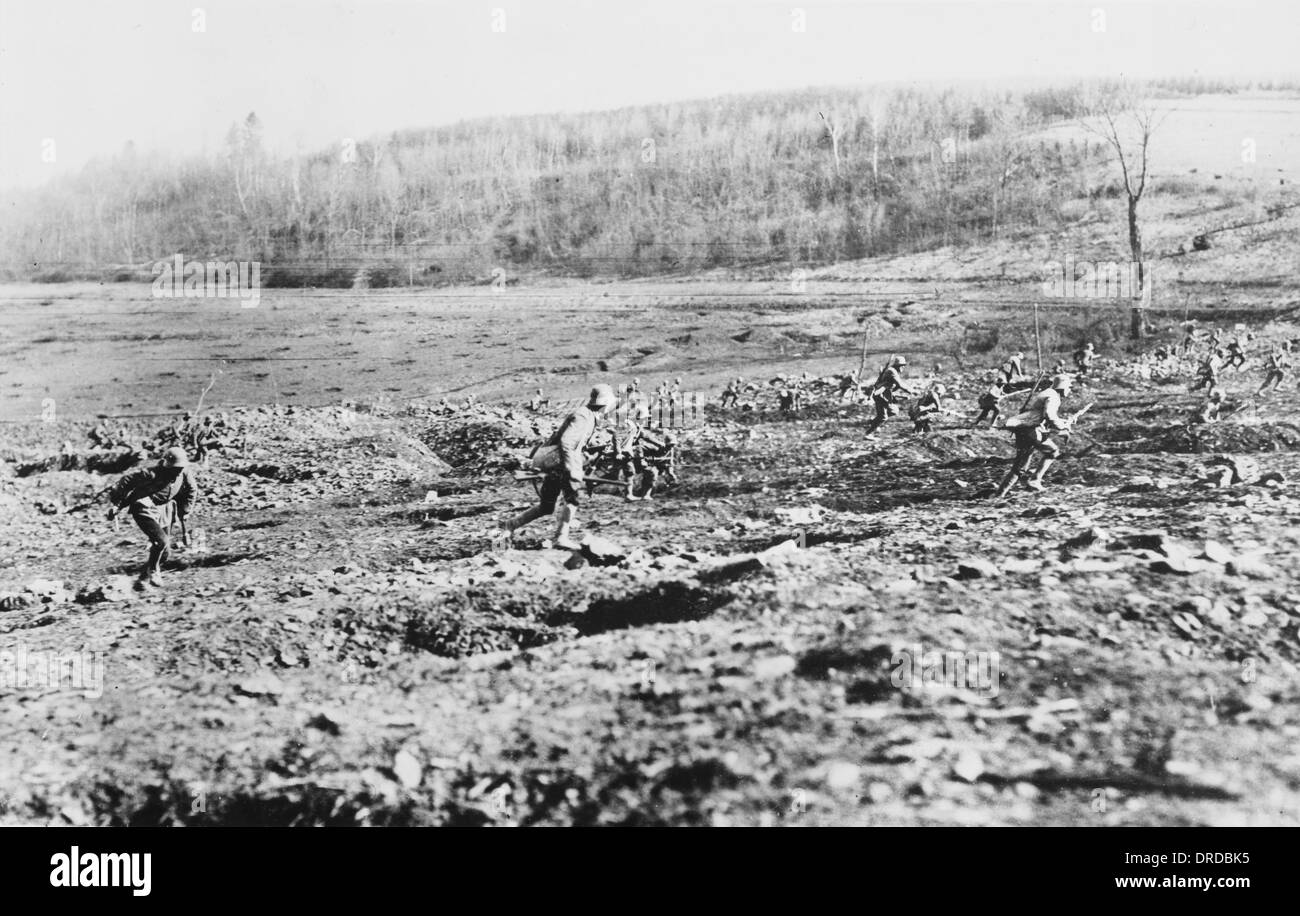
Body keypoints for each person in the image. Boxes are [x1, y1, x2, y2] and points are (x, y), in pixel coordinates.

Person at [497, 385, 617, 549]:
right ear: (605, 404)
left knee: (547, 507)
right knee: (573, 498)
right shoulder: (583, 416)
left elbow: (576, 443)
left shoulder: (589, 415)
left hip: (557, 465)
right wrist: (573, 468)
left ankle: (509, 525)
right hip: (560, 465)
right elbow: (566, 442)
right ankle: (560, 538)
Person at [105, 446, 198, 588]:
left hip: (164, 509)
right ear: (168, 465)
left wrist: (185, 509)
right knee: (161, 541)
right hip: (144, 506)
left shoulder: (184, 471)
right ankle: (154, 571)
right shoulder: (152, 473)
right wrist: (117, 504)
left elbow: (192, 489)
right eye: (175, 468)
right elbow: (126, 481)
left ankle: (143, 578)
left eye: (180, 468)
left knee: (165, 553)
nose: (178, 471)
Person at [994, 374, 1076, 496]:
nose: (1069, 391)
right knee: (1052, 451)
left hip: (1024, 430)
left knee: (1020, 466)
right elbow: (1049, 415)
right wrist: (1062, 428)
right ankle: (1035, 481)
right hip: (1030, 430)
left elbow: (1039, 415)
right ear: (1063, 387)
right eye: (1069, 387)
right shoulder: (1054, 397)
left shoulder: (1047, 393)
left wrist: (1064, 422)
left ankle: (999, 495)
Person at [865, 356, 914, 435]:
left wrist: (901, 396)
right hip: (880, 395)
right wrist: (910, 390)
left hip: (883, 395)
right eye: (902, 365)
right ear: (898, 365)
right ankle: (868, 433)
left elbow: (890, 388)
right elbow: (899, 384)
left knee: (893, 411)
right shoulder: (892, 371)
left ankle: (873, 423)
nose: (903, 367)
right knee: (883, 417)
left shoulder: (893, 371)